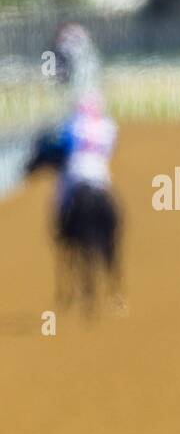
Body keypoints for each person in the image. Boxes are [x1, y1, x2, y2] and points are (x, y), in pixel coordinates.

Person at [24, 24, 122, 312]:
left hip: (74, 176)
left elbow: (60, 150)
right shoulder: (107, 126)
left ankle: (63, 235)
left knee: (60, 211)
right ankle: (115, 289)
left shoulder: (71, 124)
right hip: (100, 176)